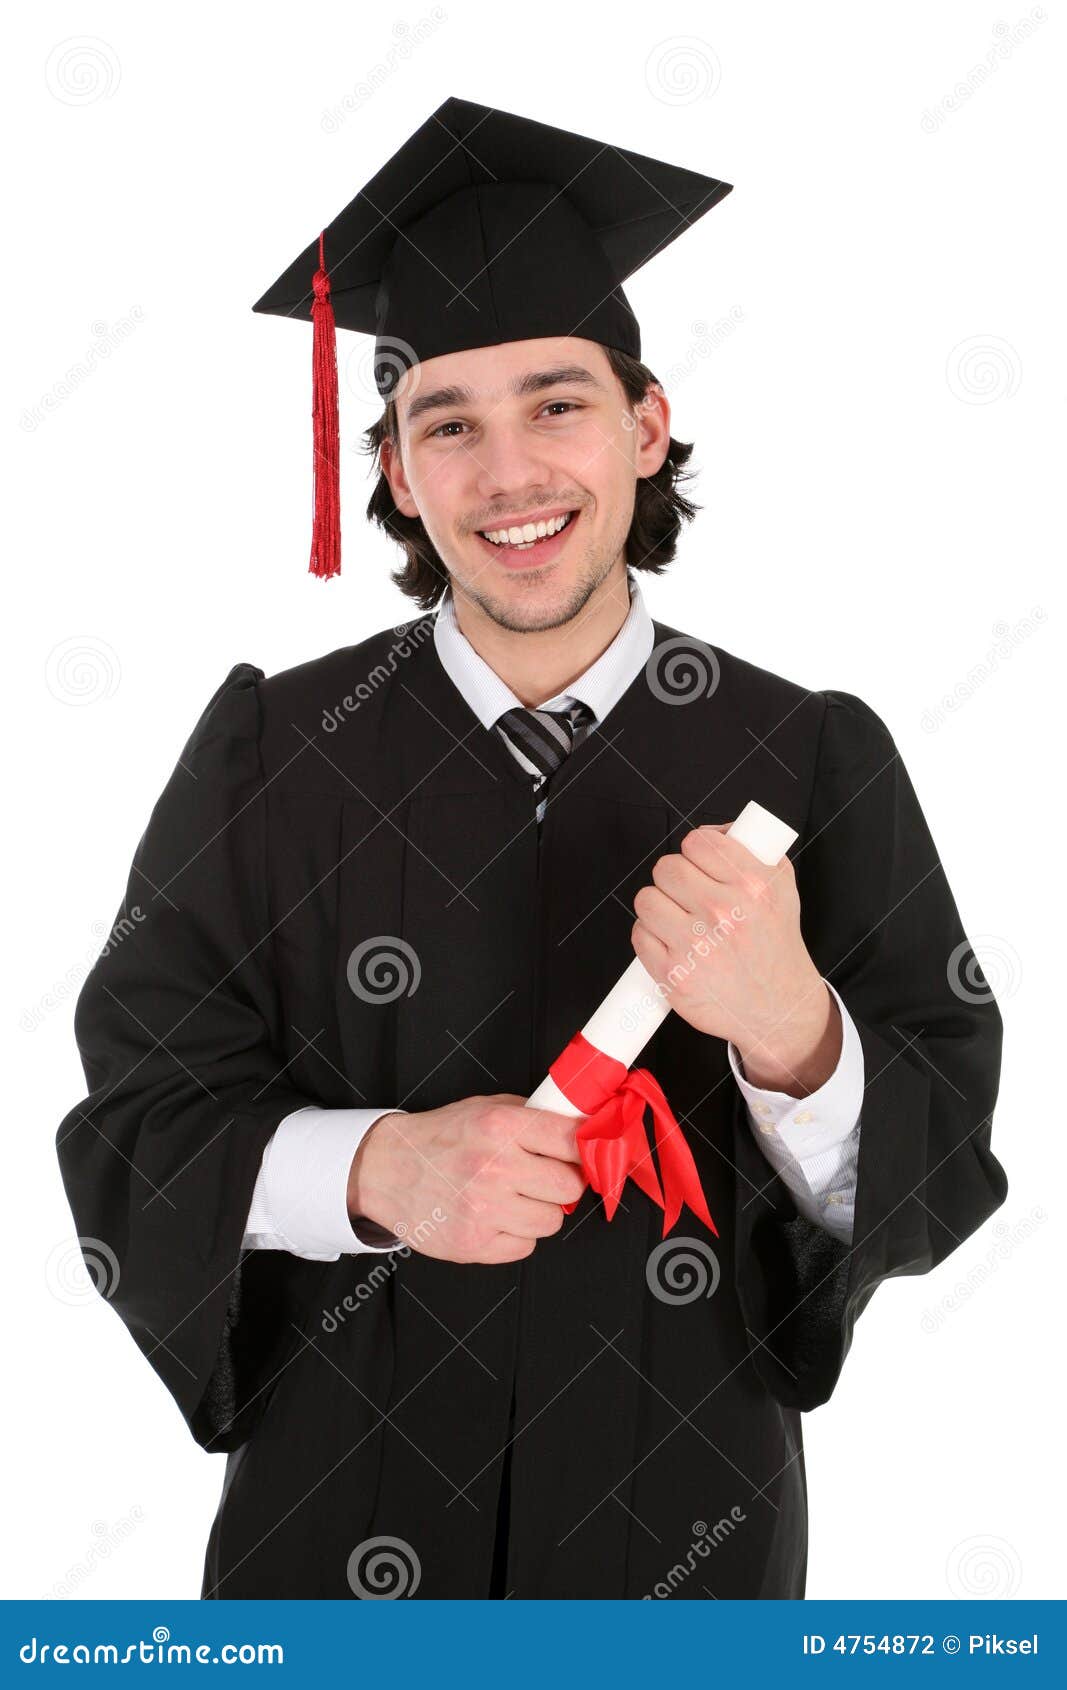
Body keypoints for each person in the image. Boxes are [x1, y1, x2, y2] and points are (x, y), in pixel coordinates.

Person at [56, 98, 1007, 1600]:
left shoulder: (810, 758)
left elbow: (942, 1174)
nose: (509, 475)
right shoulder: (272, 754)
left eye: (557, 404)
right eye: (449, 424)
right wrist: (375, 1169)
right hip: (332, 1547)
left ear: (646, 425)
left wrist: (794, 1031)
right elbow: (132, 1130)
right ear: (394, 468)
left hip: (683, 1549)